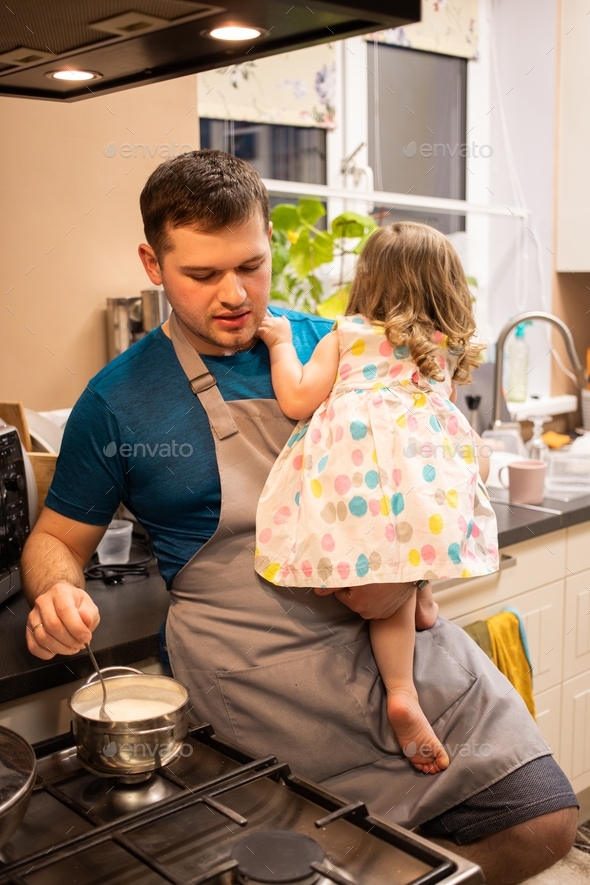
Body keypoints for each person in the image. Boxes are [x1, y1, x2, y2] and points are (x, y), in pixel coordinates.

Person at [21, 150, 577, 885]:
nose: (234, 295)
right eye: (202, 274)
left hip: (395, 647)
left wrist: (414, 574)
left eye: (250, 266)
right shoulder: (117, 400)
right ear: (152, 264)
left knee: (546, 819)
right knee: (322, 865)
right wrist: (55, 589)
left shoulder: (342, 341)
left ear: (271, 244)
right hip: (259, 674)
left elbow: (431, 462)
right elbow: (55, 540)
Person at [254, 222, 499, 775]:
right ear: (447, 287)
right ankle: (424, 596)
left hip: (357, 488)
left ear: (369, 279)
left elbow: (296, 399)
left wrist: (278, 342)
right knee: (416, 540)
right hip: (429, 493)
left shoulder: (347, 334)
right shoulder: (442, 348)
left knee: (382, 582)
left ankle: (401, 692)